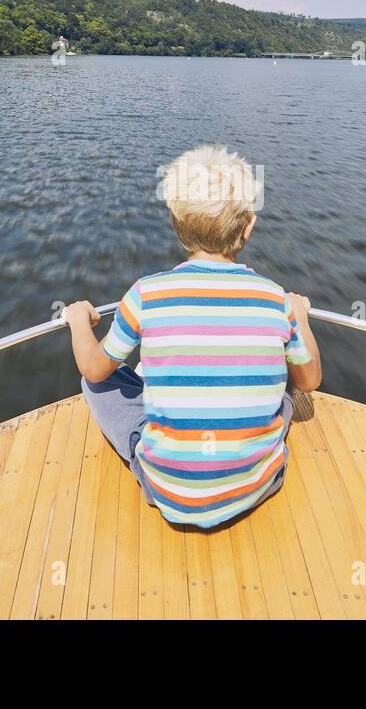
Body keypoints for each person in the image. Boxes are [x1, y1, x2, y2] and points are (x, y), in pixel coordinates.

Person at [61, 144, 321, 529]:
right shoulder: (275, 298)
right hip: (259, 484)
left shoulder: (146, 294)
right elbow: (310, 380)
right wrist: (298, 315)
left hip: (167, 491)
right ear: (249, 225)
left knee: (98, 382)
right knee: (285, 387)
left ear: (175, 222)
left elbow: (93, 368)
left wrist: (78, 320)